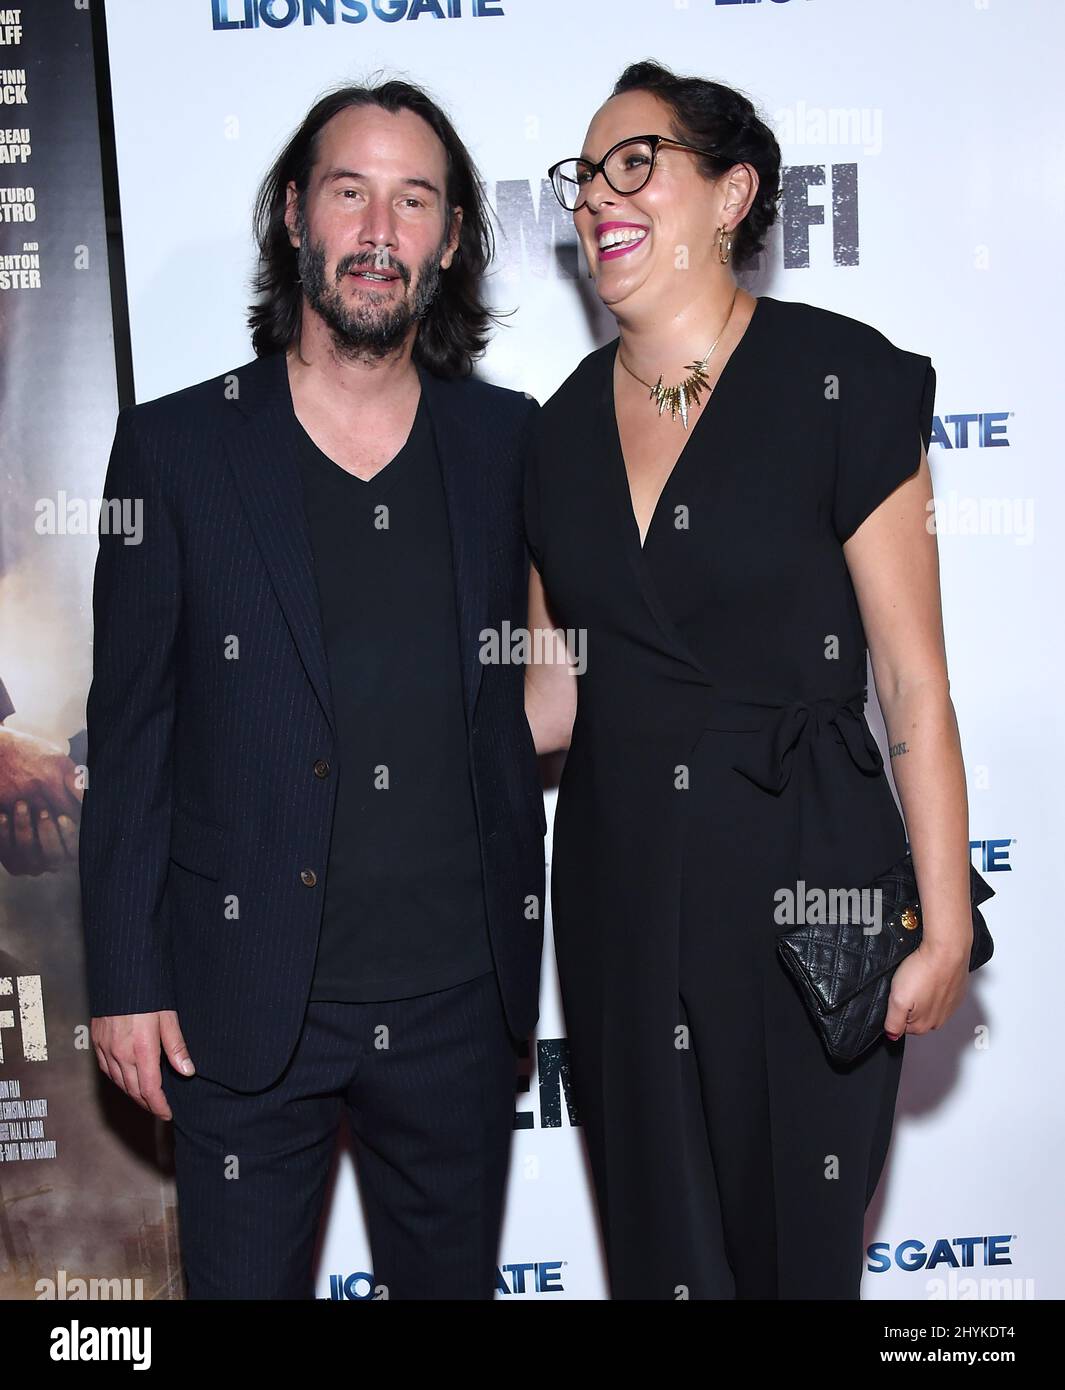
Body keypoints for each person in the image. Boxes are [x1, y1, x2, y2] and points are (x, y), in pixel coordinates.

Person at [79, 80, 546, 1300]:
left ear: (450, 240)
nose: (380, 230)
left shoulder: (511, 445)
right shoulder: (175, 450)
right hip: (243, 1008)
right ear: (296, 215)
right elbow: (131, 731)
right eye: (351, 191)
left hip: (459, 1003)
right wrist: (125, 980)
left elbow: (557, 675)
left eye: (414, 200)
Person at [524, 60, 973, 1300]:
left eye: (636, 162)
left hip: (808, 885)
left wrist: (940, 920)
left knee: (798, 1257)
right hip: (620, 893)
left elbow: (912, 680)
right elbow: (551, 695)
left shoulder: (843, 380)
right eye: (583, 176)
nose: (598, 197)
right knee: (666, 1260)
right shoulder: (554, 432)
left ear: (732, 193)